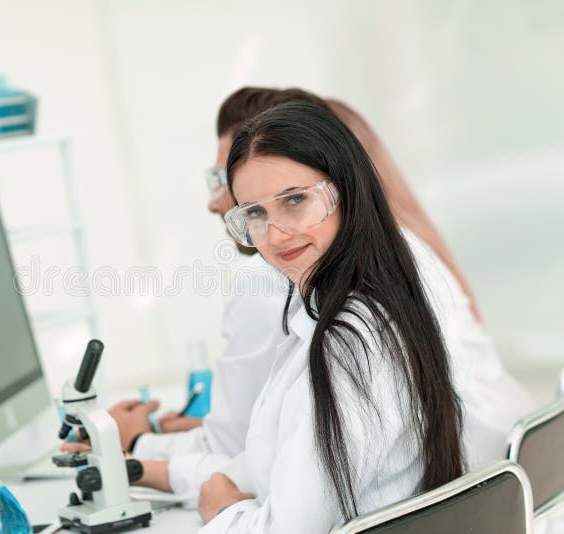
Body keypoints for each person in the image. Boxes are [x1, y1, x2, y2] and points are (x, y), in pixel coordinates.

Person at [193, 100, 467, 532]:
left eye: (295, 200)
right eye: (255, 214)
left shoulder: (350, 342)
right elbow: (274, 456)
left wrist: (223, 514)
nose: (277, 234)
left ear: (346, 190)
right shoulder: (357, 310)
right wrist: (188, 478)